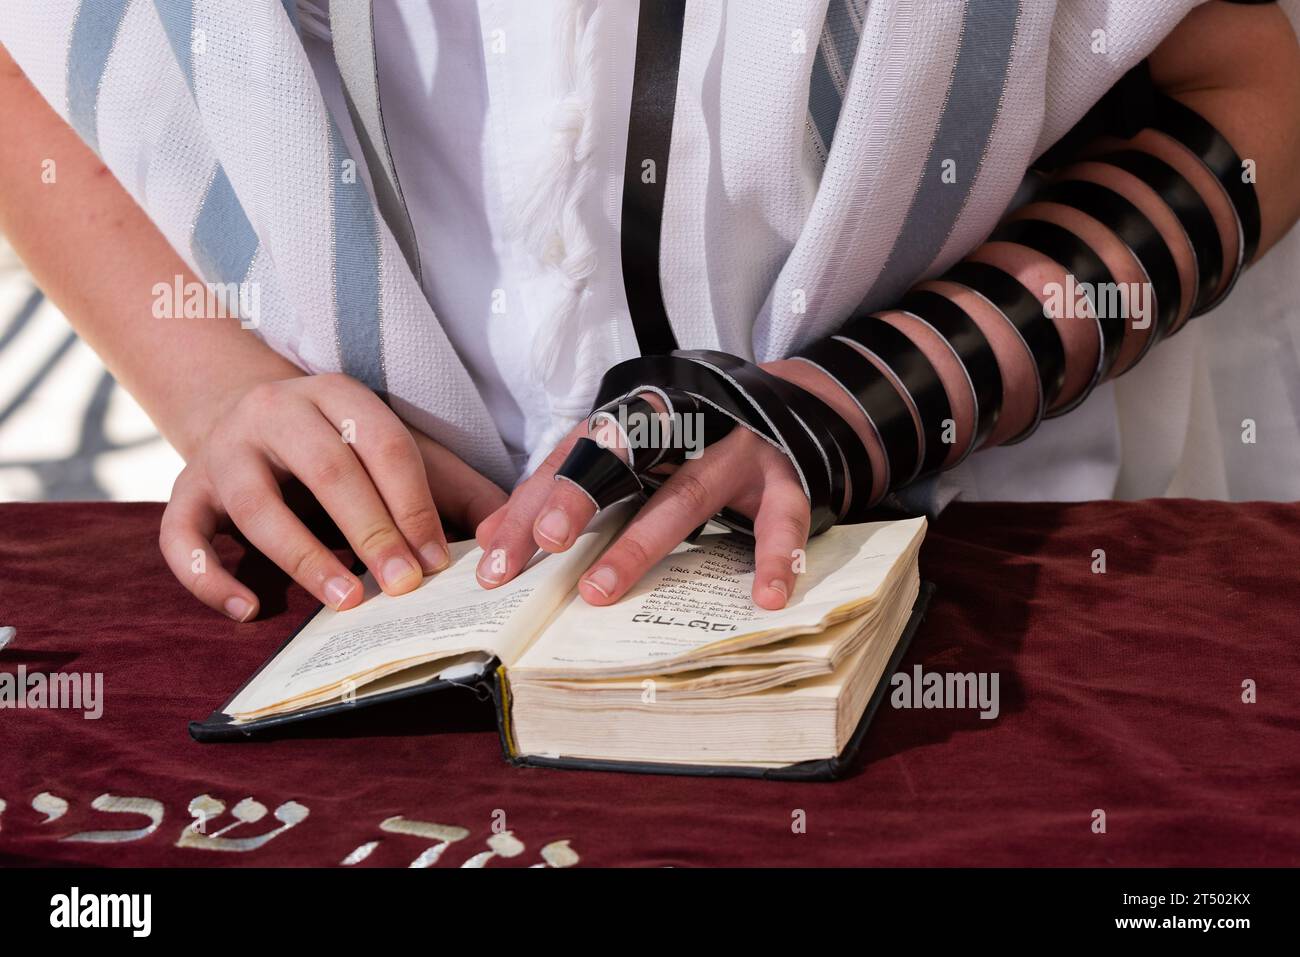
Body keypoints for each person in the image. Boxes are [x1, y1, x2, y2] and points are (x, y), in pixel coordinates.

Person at [1, 0, 1298, 622]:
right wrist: (213, 380)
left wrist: (857, 406)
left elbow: (1255, 96)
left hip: (949, 590)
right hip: (371, 616)